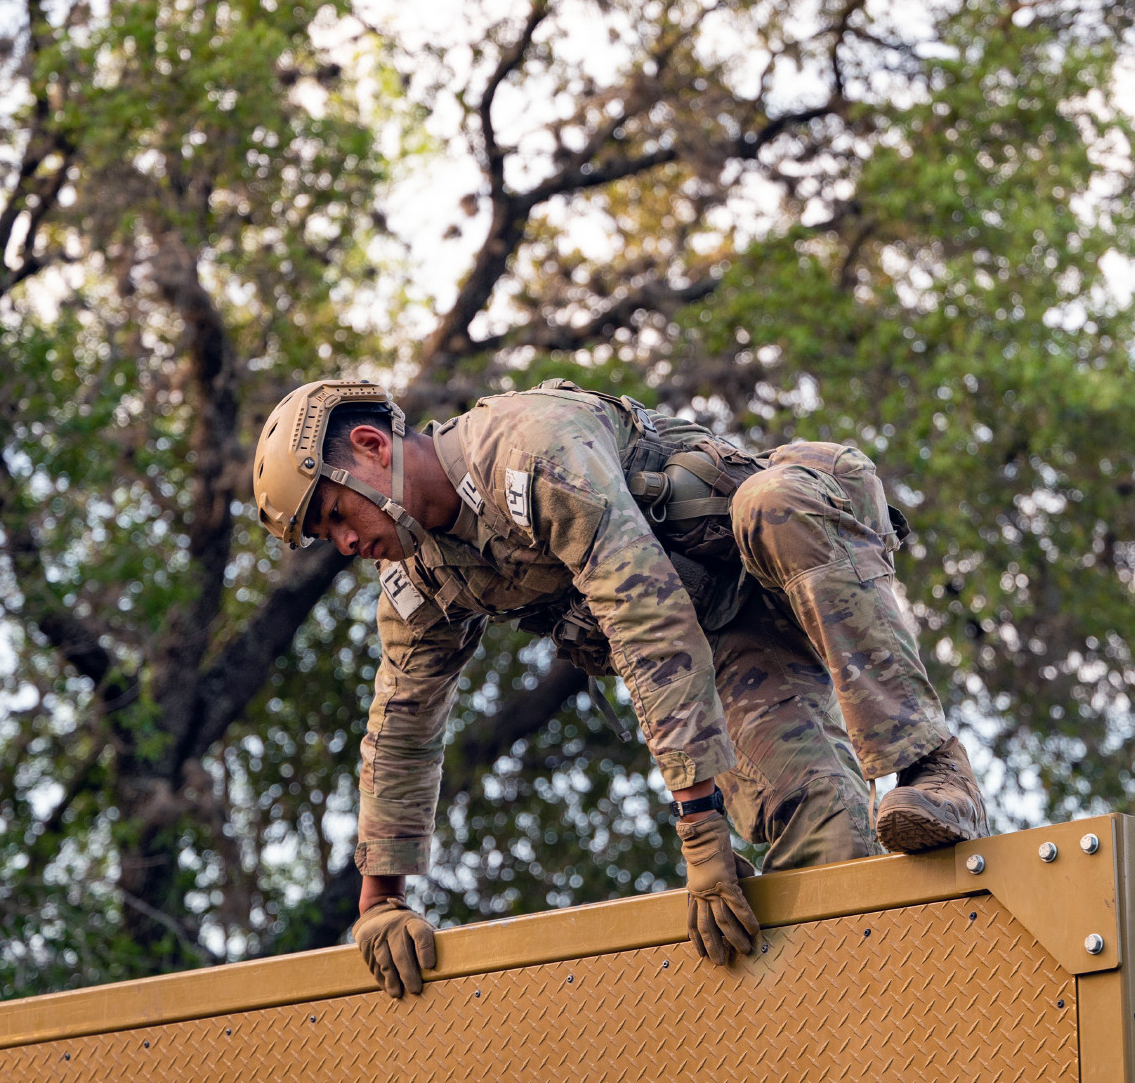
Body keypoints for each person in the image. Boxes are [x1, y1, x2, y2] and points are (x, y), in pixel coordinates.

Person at [253, 375, 988, 999]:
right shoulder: (420, 574)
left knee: (775, 502)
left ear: (372, 450)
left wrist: (700, 836)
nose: (345, 544)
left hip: (799, 556)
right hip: (731, 646)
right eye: (327, 538)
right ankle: (848, 1045)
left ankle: (937, 772)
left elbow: (646, 613)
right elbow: (403, 723)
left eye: (336, 515)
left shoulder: (530, 449)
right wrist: (381, 902)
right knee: (824, 834)